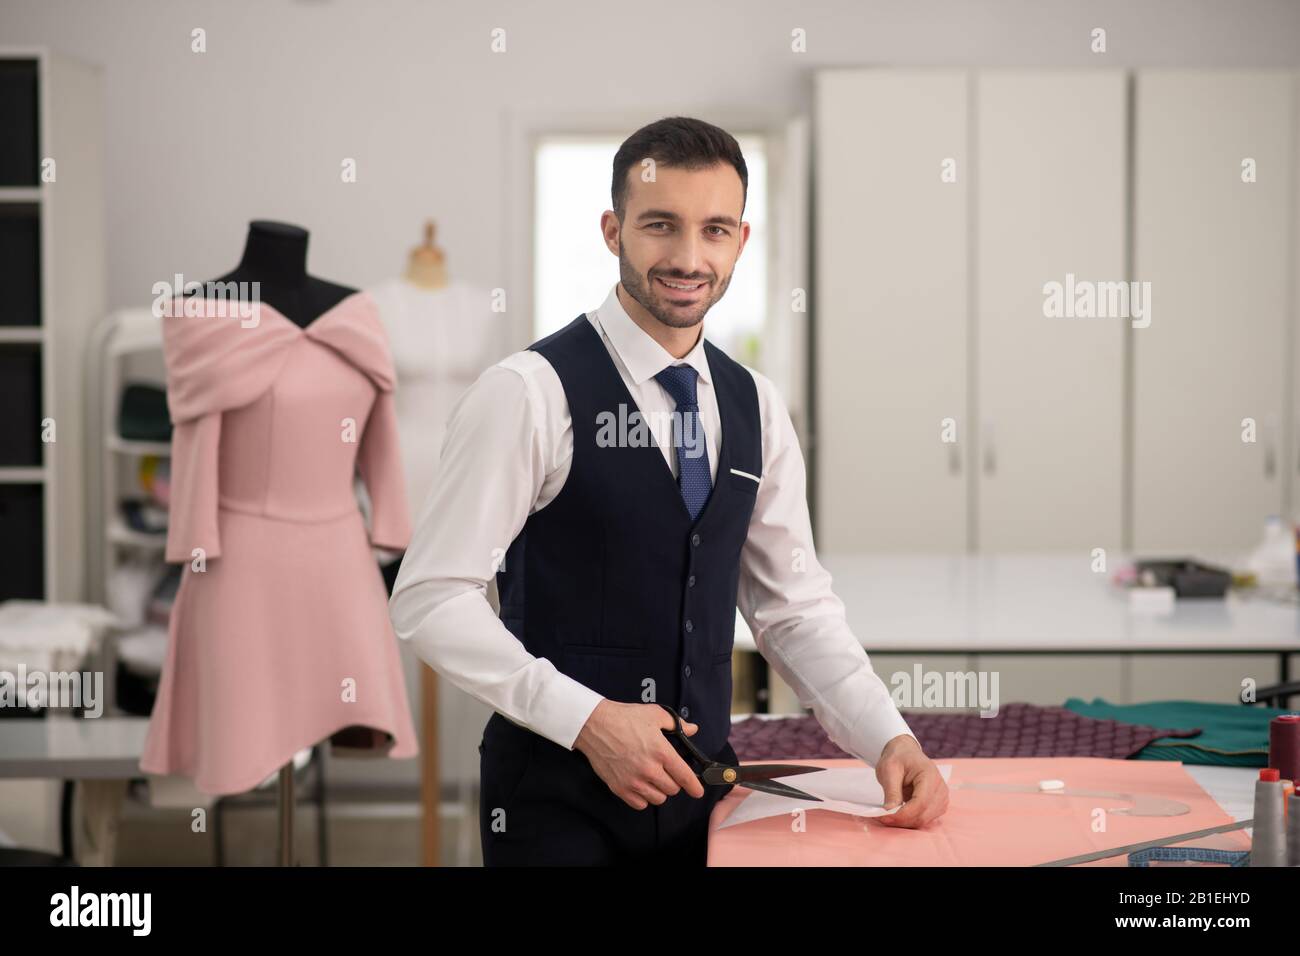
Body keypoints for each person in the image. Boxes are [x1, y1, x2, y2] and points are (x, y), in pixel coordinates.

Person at [389, 116, 949, 866]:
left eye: (715, 230)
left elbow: (793, 607)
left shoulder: (758, 407)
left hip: (698, 805)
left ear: (742, 241)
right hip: (552, 804)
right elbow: (430, 598)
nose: (689, 257)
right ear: (613, 230)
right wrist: (587, 720)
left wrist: (888, 733)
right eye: (661, 226)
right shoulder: (526, 393)